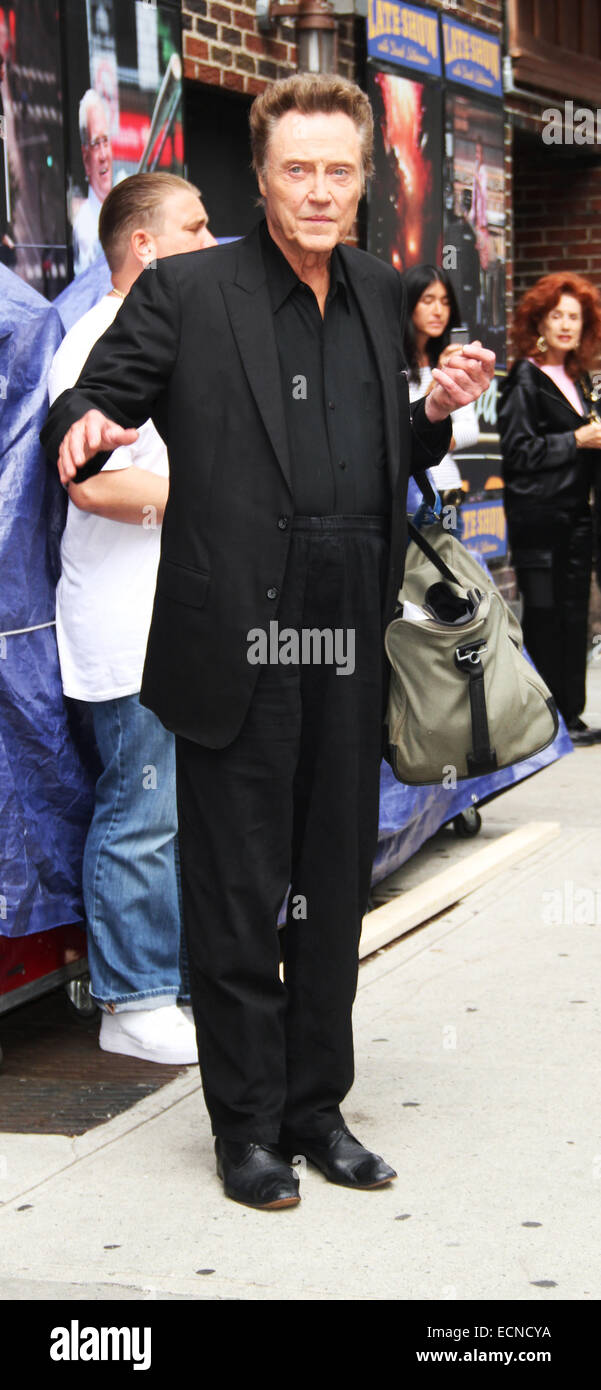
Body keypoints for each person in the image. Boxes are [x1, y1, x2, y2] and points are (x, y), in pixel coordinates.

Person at [41, 74, 494, 1211]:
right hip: (239, 638)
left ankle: (315, 1106)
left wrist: (431, 410)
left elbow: (374, 451)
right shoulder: (190, 289)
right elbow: (100, 393)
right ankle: (246, 1127)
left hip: (347, 637)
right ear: (262, 173)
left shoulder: (384, 290)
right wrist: (85, 421)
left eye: (339, 169)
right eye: (298, 168)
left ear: (362, 178)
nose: (319, 189)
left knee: (331, 888)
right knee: (240, 894)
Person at [48, 172, 217, 1062]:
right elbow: (92, 480)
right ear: (143, 246)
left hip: (180, 619)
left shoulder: (166, 335)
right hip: (126, 623)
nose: (210, 237)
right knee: (142, 809)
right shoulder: (95, 346)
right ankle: (132, 1000)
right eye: (193, 226)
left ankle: (181, 985)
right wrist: (207, 494)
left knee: (184, 812)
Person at [498, 272, 601, 745]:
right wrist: (576, 439)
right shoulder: (525, 376)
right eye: (556, 315)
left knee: (574, 615)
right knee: (543, 616)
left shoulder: (579, 380)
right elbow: (518, 451)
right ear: (538, 320)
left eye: (574, 317)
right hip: (539, 518)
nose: (565, 325)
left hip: (577, 517)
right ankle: (548, 719)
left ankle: (572, 714)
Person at [401, 264, 479, 536]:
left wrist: (435, 439)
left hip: (448, 493)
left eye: (445, 302)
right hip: (409, 499)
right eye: (428, 300)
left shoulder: (450, 360)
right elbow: (397, 429)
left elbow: (471, 429)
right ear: (408, 302)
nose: (438, 311)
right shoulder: (392, 364)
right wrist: (432, 403)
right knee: (410, 577)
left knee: (448, 576)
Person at [72, 91, 114, 276]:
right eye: (96, 144)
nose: (104, 155)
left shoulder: (126, 208)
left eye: (106, 141)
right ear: (85, 157)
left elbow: (149, 268)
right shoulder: (85, 226)